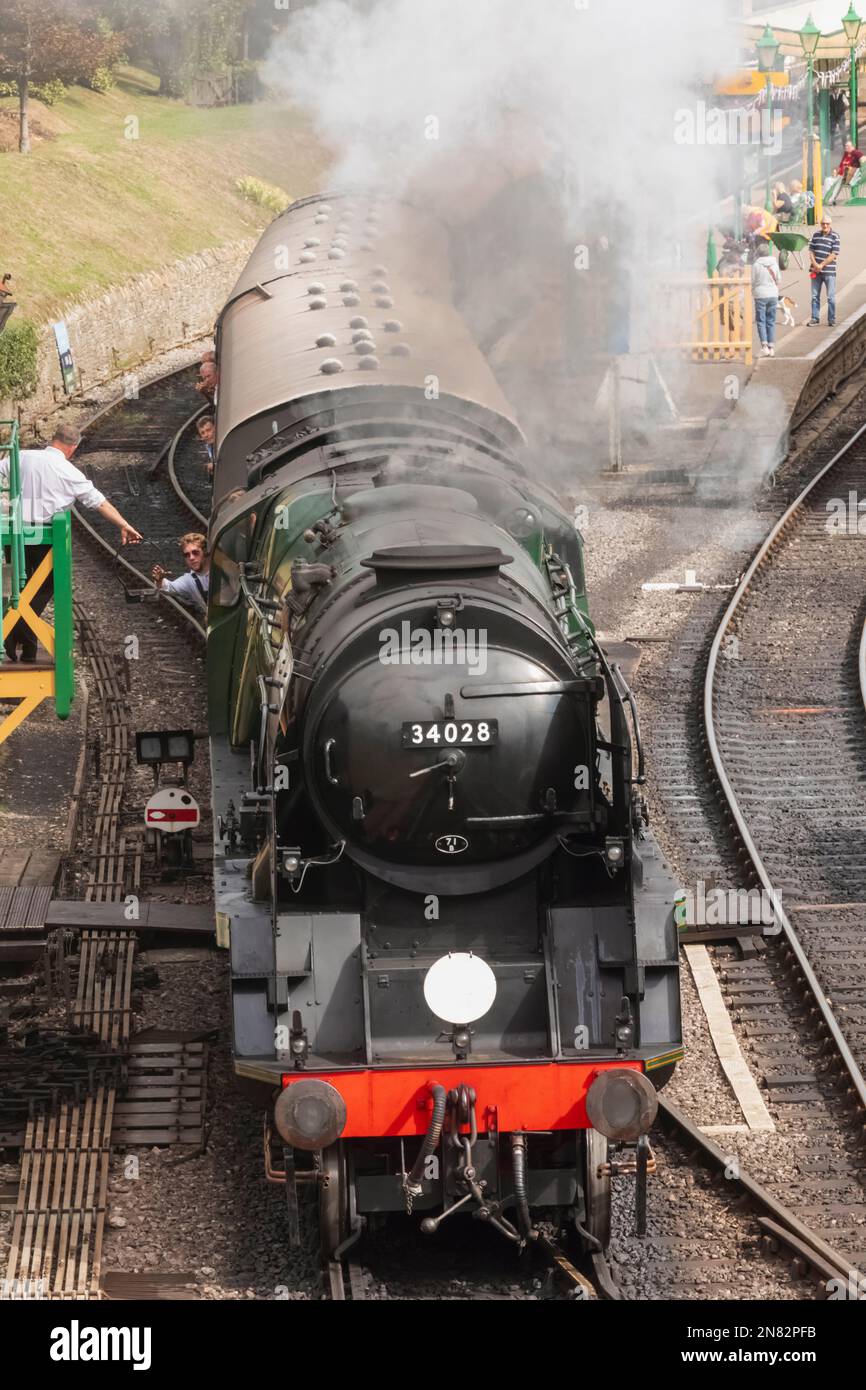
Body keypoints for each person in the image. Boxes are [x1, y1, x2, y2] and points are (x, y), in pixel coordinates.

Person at [1, 423, 143, 662]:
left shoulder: (21, 456)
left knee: (19, 588)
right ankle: (21, 637)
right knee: (47, 585)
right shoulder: (69, 472)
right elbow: (99, 502)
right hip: (45, 539)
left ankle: (19, 642)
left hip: (15, 536)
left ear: (53, 439)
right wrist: (123, 524)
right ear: (73, 448)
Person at [151, 532, 210, 612]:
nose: (191, 558)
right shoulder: (189, 580)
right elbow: (169, 587)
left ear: (205, 552)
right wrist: (159, 580)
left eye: (195, 552)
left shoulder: (223, 567)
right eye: (187, 555)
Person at [808, 216, 841, 326]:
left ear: (830, 224)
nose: (825, 226)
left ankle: (831, 319)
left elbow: (834, 254)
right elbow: (811, 251)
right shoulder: (816, 235)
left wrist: (821, 265)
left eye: (827, 224)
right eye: (823, 224)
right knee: (814, 296)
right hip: (816, 271)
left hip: (829, 272)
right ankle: (815, 318)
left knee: (831, 297)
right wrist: (815, 264)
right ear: (820, 224)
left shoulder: (835, 236)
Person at [751, 237, 780, 358]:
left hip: (760, 295)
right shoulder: (774, 263)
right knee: (771, 321)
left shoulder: (756, 265)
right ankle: (772, 347)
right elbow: (779, 279)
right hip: (773, 294)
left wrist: (753, 290)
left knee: (761, 321)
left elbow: (752, 281)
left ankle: (764, 347)